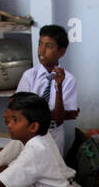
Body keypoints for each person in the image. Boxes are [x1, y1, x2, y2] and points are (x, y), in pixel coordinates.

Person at [17, 24, 78, 155]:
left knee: (51, 171)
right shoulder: (29, 76)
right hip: (30, 134)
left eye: (49, 46)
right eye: (40, 44)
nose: (41, 51)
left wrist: (59, 87)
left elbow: (58, 119)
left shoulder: (68, 80)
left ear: (61, 52)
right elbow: (19, 109)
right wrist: (51, 114)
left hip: (53, 135)